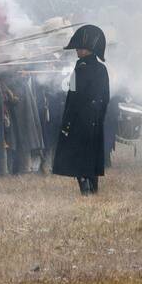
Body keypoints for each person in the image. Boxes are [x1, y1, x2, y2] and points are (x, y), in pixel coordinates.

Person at [52, 24, 110, 196]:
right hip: (95, 119)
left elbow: (73, 96)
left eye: (80, 47)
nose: (77, 50)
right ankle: (93, 187)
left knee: (77, 155)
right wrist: (99, 116)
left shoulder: (79, 70)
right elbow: (106, 97)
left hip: (78, 120)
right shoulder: (102, 69)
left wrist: (67, 121)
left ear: (88, 49)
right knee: (92, 154)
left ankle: (85, 187)